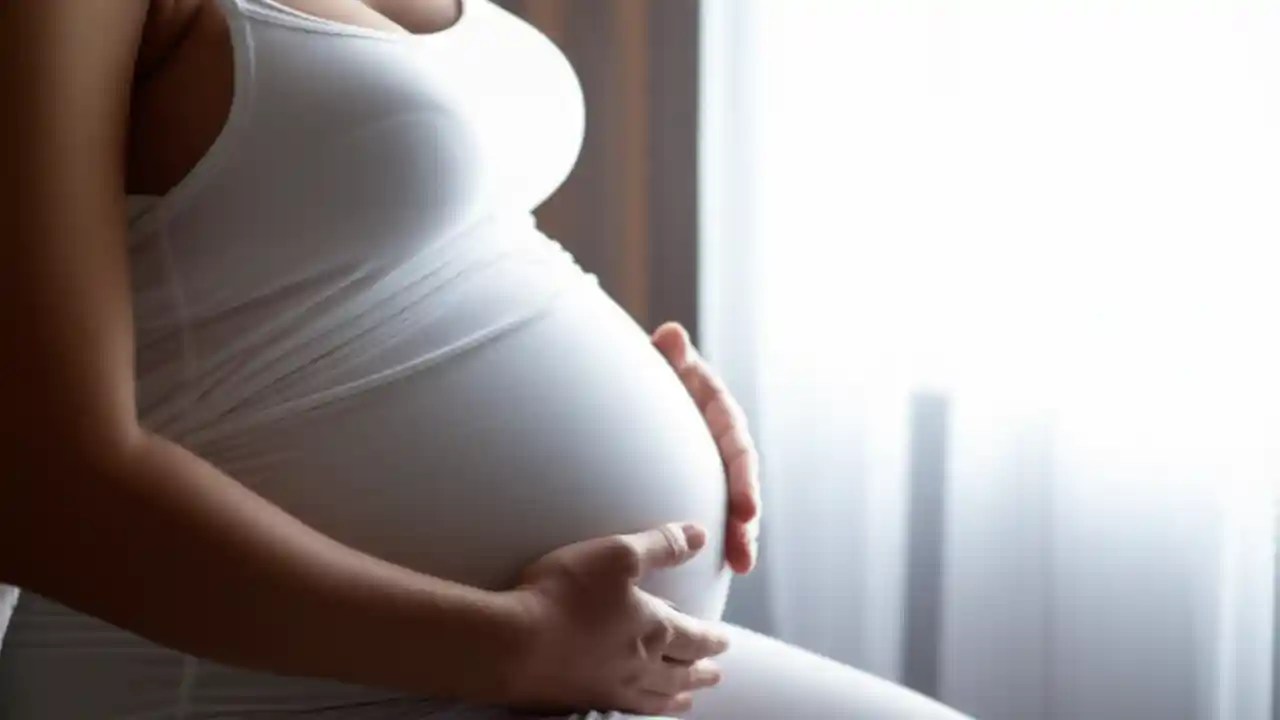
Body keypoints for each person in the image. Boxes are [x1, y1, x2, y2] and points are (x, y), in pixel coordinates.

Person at [0, 0, 973, 717]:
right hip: (267, 685)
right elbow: (35, 482)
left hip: (565, 669)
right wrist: (513, 647)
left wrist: (643, 371)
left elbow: (364, 235)